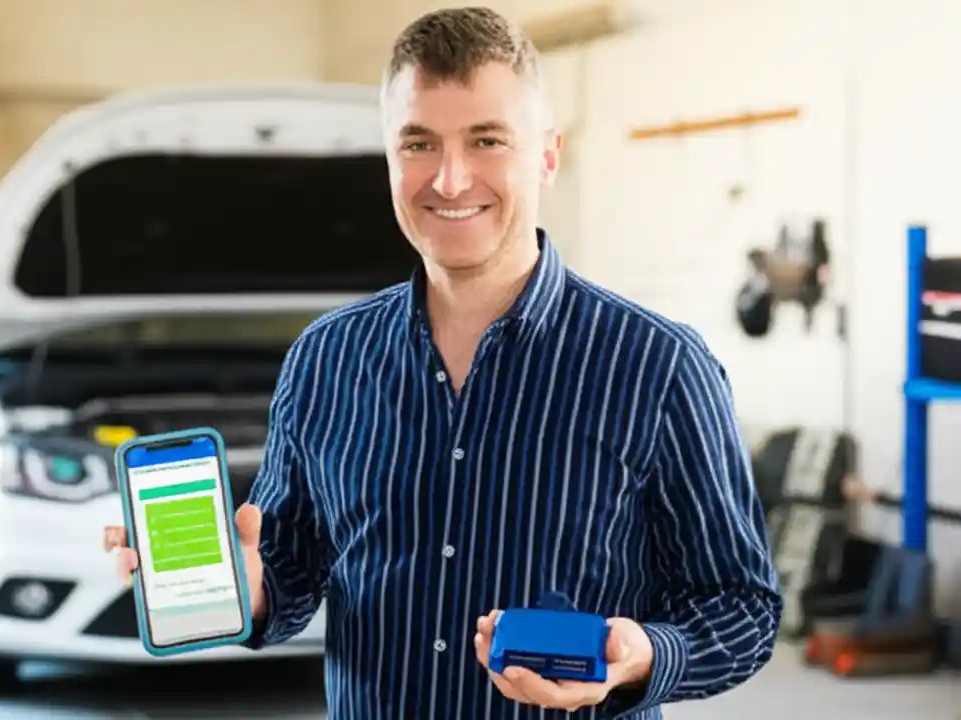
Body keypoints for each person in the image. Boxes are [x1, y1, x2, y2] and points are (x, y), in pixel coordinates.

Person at [104, 6, 781, 718]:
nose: (451, 180)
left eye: (487, 140)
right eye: (419, 144)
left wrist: (643, 657)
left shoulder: (658, 366)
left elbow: (742, 606)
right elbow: (294, 571)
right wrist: (248, 587)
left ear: (547, 153)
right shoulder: (326, 361)